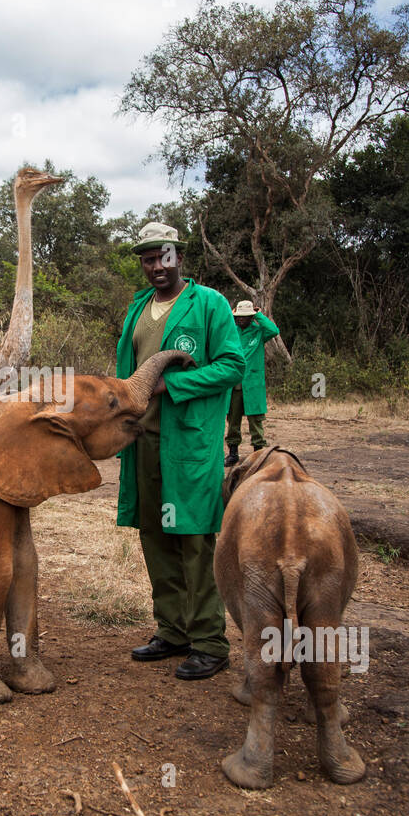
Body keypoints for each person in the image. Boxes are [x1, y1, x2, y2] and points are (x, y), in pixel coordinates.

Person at [116, 223, 245, 679]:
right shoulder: (138, 309)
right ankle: (171, 631)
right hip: (143, 442)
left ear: (179, 257)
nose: (156, 266)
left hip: (187, 441)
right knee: (154, 535)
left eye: (163, 256)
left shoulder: (208, 304)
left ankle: (209, 641)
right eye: (148, 259)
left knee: (193, 538)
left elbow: (233, 365)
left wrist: (174, 384)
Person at [225, 300, 280, 466]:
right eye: (239, 316)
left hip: (253, 384)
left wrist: (258, 314)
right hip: (234, 385)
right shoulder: (231, 331)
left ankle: (259, 454)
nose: (241, 319)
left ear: (251, 317)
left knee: (255, 420)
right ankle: (233, 453)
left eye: (245, 316)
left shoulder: (259, 332)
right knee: (232, 421)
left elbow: (274, 330)